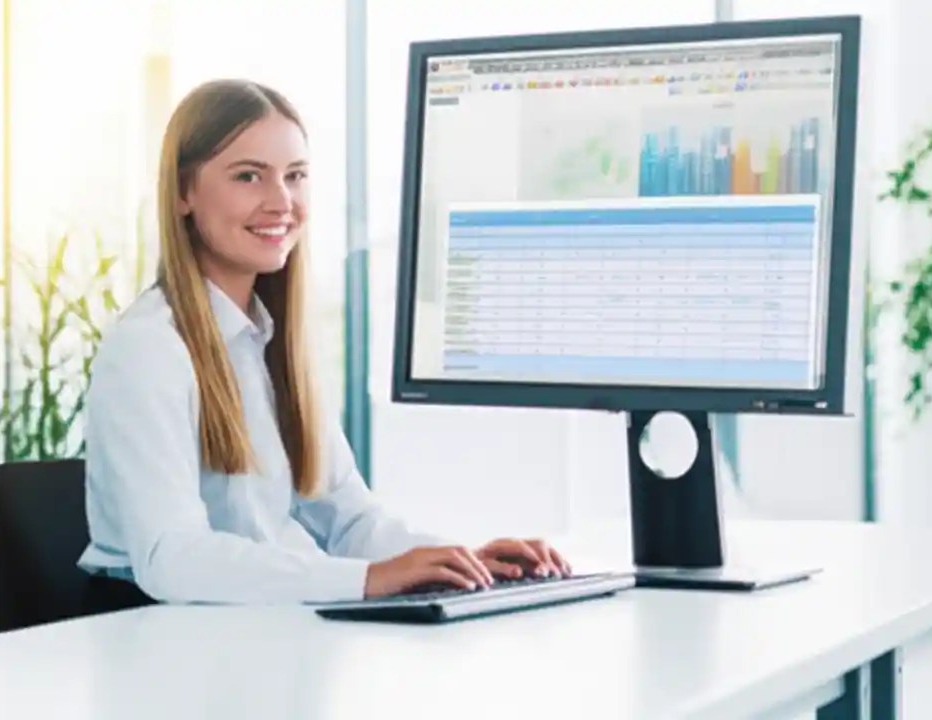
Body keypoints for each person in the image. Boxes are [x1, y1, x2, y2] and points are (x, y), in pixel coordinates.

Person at [77, 79, 572, 606]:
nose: (281, 202)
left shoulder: (269, 344)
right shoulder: (149, 350)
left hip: (256, 635)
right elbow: (172, 558)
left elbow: (350, 522)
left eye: (295, 177)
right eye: (249, 176)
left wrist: (459, 562)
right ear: (183, 193)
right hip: (165, 640)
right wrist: (365, 580)